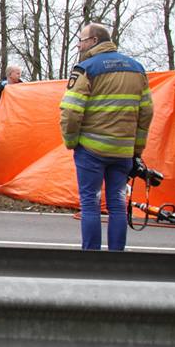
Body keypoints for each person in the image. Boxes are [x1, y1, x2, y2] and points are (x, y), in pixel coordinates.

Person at [60, 23, 154, 251]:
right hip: (123, 152)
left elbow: (71, 111)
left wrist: (71, 141)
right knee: (118, 205)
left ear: (94, 40)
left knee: (90, 204)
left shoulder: (86, 68)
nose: (79, 45)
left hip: (91, 150)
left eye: (81, 40)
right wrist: (136, 149)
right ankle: (116, 258)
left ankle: (92, 258)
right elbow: (147, 112)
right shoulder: (137, 69)